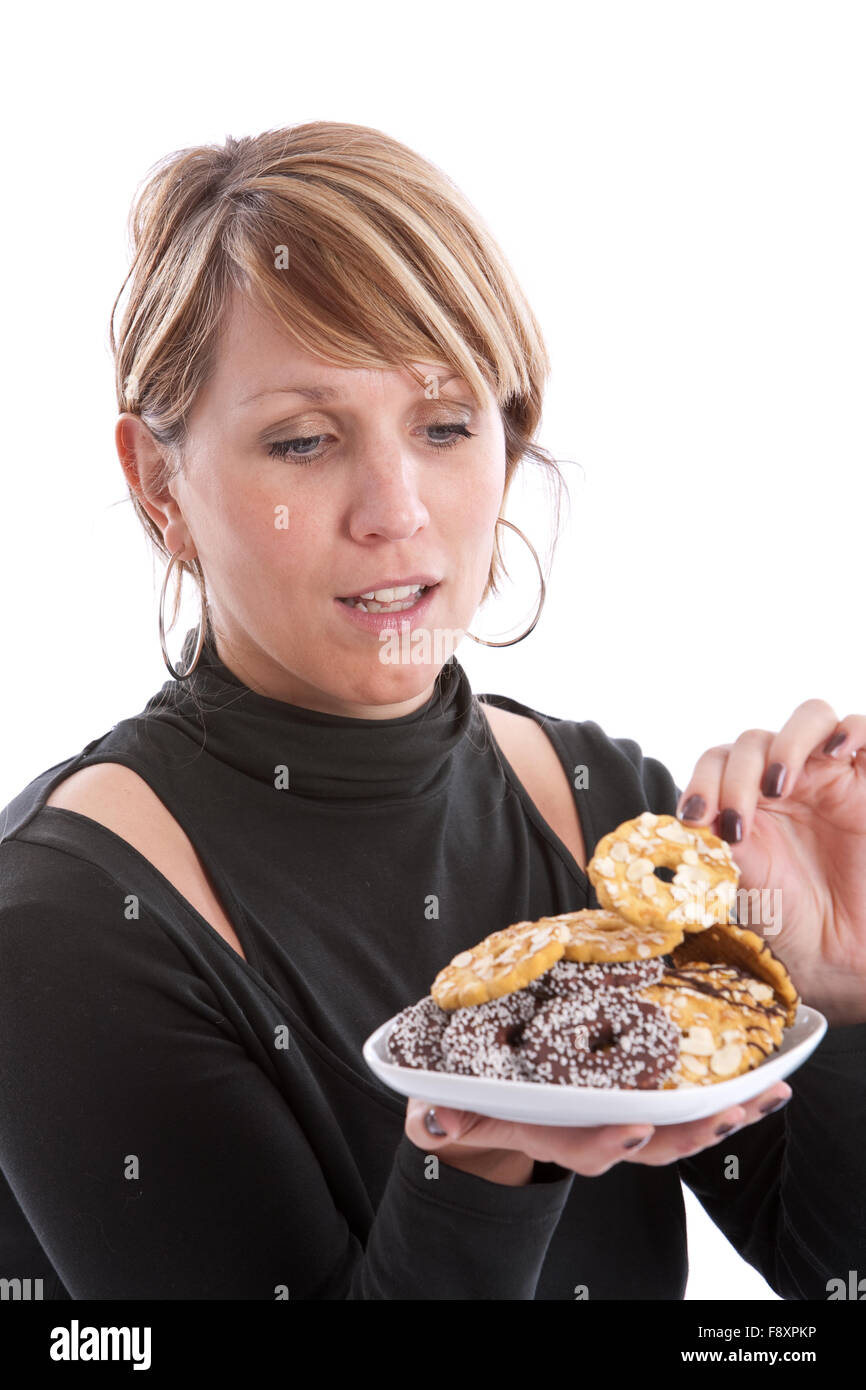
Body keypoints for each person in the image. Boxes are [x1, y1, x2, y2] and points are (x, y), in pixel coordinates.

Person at [0, 121, 863, 1301]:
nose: (394, 511)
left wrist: (842, 987)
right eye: (303, 440)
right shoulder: (63, 919)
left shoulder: (609, 816)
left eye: (446, 424)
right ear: (160, 484)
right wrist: (488, 1144)